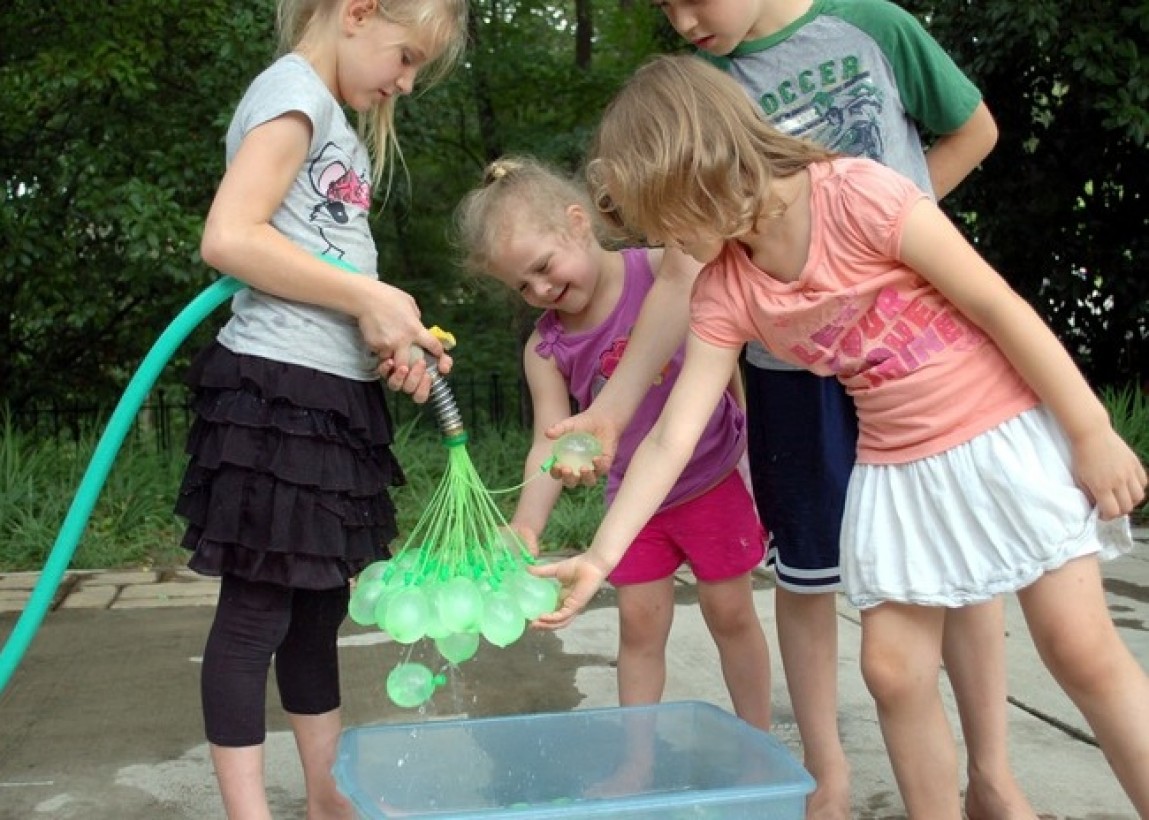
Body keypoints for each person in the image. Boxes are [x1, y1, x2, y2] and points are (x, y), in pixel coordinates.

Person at [531, 54, 1149, 818]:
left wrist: (1089, 429)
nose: (671, 247)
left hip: (996, 432)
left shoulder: (857, 194)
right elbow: (671, 436)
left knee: (1079, 651)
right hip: (894, 464)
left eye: (671, 221)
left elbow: (997, 305)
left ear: (702, 165)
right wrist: (601, 554)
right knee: (892, 671)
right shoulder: (728, 285)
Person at [174, 1, 467, 818]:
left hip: (328, 392)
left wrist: (387, 334)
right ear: (358, 12)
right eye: (404, 57)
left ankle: (326, 799)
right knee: (256, 611)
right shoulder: (294, 93)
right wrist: (368, 295)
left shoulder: (326, 108)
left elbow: (322, 260)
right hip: (276, 391)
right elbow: (230, 236)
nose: (404, 83)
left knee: (316, 609)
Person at [454, 155, 773, 740]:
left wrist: (749, 437)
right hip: (633, 503)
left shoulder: (664, 272)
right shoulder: (545, 349)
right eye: (522, 286)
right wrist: (526, 525)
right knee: (639, 627)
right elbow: (549, 442)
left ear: (578, 222)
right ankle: (636, 756)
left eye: (544, 268)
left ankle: (757, 737)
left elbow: (725, 359)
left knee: (731, 614)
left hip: (713, 480)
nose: (541, 289)